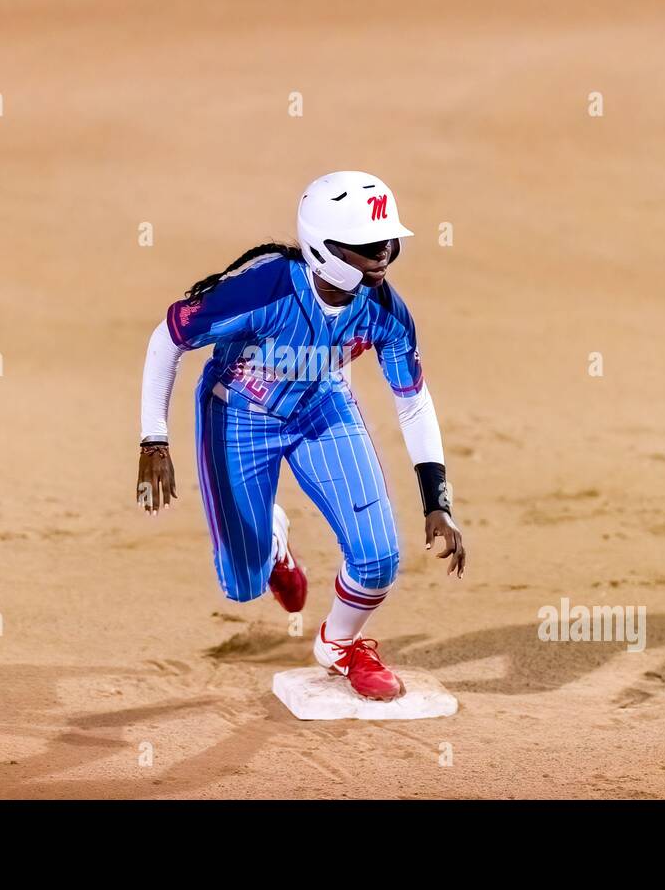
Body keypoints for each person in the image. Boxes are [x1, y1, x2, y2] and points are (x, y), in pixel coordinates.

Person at [137, 171, 465, 700]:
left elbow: (413, 402)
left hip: (321, 408)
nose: (383, 254)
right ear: (324, 247)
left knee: (379, 556)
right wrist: (154, 441)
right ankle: (273, 544)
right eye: (367, 245)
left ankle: (340, 644)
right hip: (237, 417)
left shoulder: (385, 311)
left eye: (387, 241)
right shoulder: (261, 290)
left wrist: (437, 500)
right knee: (242, 584)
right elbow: (167, 338)